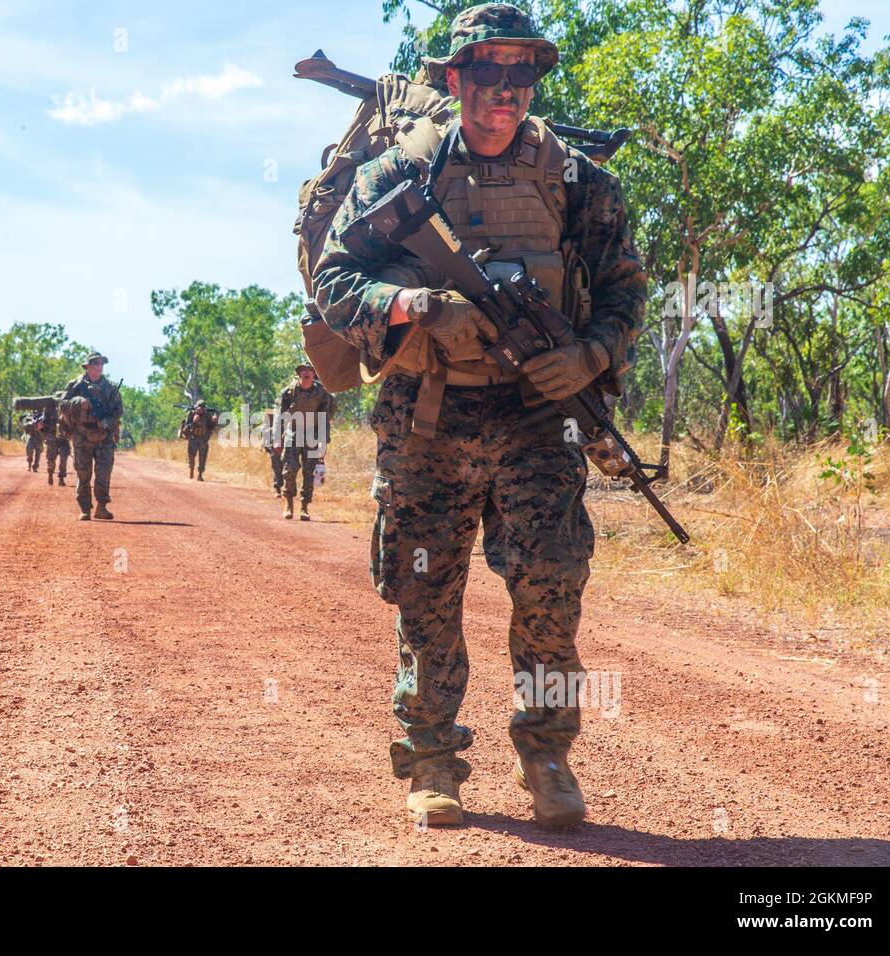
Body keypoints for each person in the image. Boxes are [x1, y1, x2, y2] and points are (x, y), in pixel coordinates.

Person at [312, 2, 646, 827]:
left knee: (553, 582)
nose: (507, 89)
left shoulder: (579, 182)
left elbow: (624, 290)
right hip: (427, 417)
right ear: (456, 77)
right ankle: (432, 756)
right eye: (489, 71)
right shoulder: (399, 173)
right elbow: (334, 280)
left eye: (522, 71)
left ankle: (547, 753)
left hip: (538, 415)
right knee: (425, 587)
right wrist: (414, 305)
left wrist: (592, 356)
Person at [62, 353, 122, 520]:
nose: (99, 366)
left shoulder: (111, 387)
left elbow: (118, 411)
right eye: (95, 363)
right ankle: (85, 509)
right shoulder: (76, 385)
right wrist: (78, 402)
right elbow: (62, 404)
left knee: (104, 472)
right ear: (87, 366)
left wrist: (107, 421)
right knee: (83, 473)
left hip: (104, 436)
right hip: (82, 434)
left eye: (101, 363)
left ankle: (102, 507)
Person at [274, 362, 335, 521]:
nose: (307, 373)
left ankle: (304, 507)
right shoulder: (289, 392)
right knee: (289, 469)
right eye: (304, 371)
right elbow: (280, 416)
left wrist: (323, 441)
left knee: (309, 471)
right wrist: (277, 439)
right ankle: (288, 503)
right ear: (299, 374)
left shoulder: (321, 393)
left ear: (314, 374)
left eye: (310, 371)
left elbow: (324, 419)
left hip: (312, 434)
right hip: (293, 432)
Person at [177, 400, 218, 480]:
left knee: (203, 458)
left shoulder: (207, 415)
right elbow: (185, 427)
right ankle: (191, 469)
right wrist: (193, 421)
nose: (200, 409)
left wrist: (214, 421)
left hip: (203, 439)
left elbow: (211, 427)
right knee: (191, 456)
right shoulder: (191, 414)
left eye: (202, 408)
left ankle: (200, 475)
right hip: (193, 438)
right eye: (198, 408)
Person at [39, 396, 71, 487]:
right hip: (52, 437)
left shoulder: (68, 407)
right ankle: (50, 473)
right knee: (51, 459)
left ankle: (61, 477)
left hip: (64, 438)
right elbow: (44, 421)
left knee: (63, 458)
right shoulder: (49, 408)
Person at [261, 409, 283, 496]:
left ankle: (281, 487)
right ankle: (278, 488)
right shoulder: (274, 417)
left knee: (279, 466)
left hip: (282, 444)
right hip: (274, 444)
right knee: (277, 467)